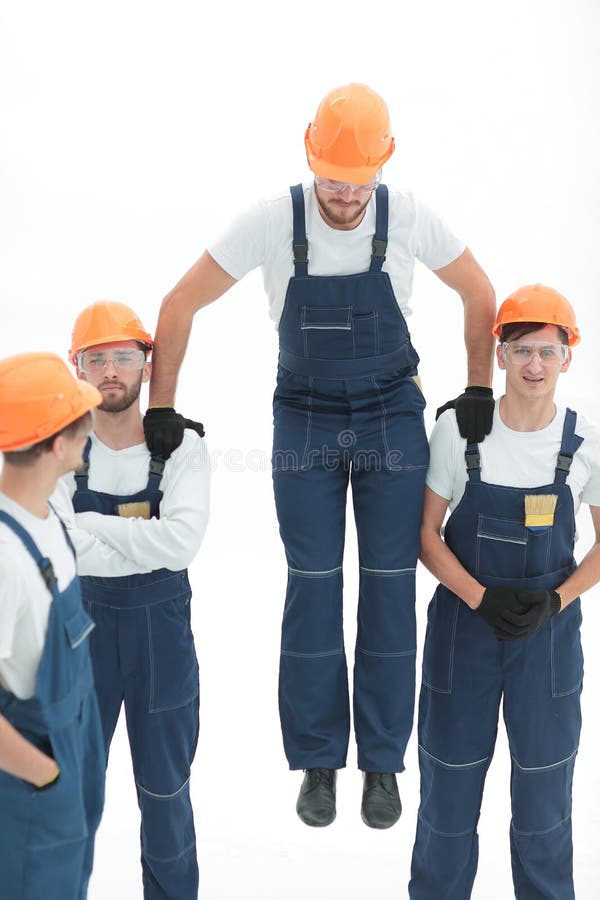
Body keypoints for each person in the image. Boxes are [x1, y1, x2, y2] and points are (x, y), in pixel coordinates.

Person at [143, 82, 496, 829]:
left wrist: (477, 388)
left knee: (390, 583)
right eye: (332, 178)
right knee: (312, 583)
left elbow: (478, 292)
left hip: (390, 413)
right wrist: (161, 407)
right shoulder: (274, 220)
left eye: (358, 180)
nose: (345, 194)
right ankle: (317, 762)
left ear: (384, 164)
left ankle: (382, 763)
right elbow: (179, 303)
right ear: (309, 158)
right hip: (304, 414)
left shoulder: (409, 216)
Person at [409, 284, 600, 899]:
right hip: (463, 636)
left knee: (545, 803)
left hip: (548, 643)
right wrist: (478, 597)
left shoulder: (586, 441)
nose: (534, 365)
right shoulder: (459, 431)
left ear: (567, 356)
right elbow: (424, 535)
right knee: (447, 799)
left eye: (547, 351)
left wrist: (558, 599)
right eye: (521, 350)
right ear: (500, 355)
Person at [52, 301, 210, 900]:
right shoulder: (58, 447)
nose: (111, 370)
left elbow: (182, 543)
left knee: (165, 793)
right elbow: (58, 549)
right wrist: (144, 539)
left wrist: (91, 526)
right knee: (69, 792)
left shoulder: (182, 447)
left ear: (147, 363)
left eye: (124, 356)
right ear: (77, 368)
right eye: (97, 359)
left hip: (161, 642)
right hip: (79, 637)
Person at [0, 352, 105, 899]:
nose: (92, 428)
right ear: (58, 444)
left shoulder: (49, 515)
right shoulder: (5, 558)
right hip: (32, 771)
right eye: (81, 420)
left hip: (77, 737)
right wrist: (47, 775)